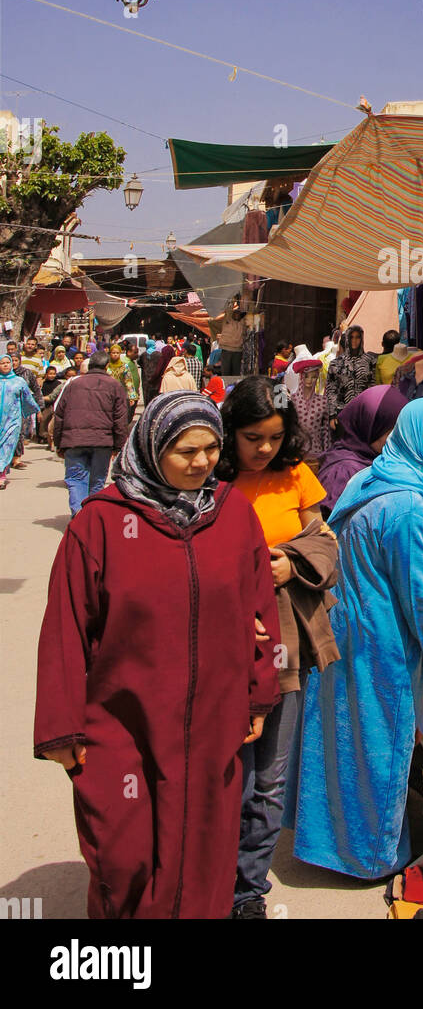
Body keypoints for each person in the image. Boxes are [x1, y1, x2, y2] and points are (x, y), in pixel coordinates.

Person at [33, 392, 281, 919]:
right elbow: (64, 630)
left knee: (204, 849)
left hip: (214, 718)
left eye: (212, 448)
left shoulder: (233, 514)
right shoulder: (100, 523)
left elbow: (261, 610)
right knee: (123, 855)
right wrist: (61, 729)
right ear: (151, 448)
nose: (202, 462)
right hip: (124, 722)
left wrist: (259, 695)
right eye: (185, 451)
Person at [286, 399, 423, 879]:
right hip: (380, 641)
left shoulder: (375, 477)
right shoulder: (407, 504)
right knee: (378, 744)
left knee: (340, 738)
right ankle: (371, 858)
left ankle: (325, 843)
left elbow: (389, 555)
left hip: (344, 627)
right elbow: (422, 598)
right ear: (417, 435)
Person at [217, 376, 339, 917]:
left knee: (269, 774)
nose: (264, 448)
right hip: (223, 644)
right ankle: (209, 877)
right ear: (230, 434)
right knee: (225, 769)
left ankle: (248, 890)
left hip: (288, 642)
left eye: (273, 436)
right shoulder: (209, 479)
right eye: (252, 437)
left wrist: (292, 562)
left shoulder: (296, 476)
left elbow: (326, 539)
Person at [52, 350, 129, 515]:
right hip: (103, 442)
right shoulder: (115, 386)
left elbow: (59, 415)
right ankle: (91, 517)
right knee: (97, 482)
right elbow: (121, 419)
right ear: (107, 366)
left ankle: (79, 514)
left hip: (74, 441)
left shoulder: (73, 384)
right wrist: (119, 445)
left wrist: (59, 443)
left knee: (76, 480)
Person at [316, 383, 407, 515]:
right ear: (370, 428)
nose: (398, 440)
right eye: (391, 432)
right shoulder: (343, 472)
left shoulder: (383, 461)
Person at [324, 325, 379, 430]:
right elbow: (331, 390)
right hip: (342, 411)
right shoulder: (336, 363)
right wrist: (332, 415)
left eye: (357, 337)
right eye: (351, 337)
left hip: (363, 412)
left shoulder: (370, 361)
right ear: (347, 338)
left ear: (361, 339)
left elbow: (372, 386)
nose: (354, 340)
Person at [0, 354, 40, 489]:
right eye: (2, 363)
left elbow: (28, 399)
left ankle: (1, 476)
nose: (5, 365)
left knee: (7, 446)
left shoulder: (19, 381)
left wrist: (35, 410)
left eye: (7, 362)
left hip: (12, 421)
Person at [37, 363, 65, 446]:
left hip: (54, 405)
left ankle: (51, 439)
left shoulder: (58, 384)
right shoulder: (43, 384)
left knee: (51, 423)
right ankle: (42, 437)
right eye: (50, 374)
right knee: (43, 421)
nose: (52, 375)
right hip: (45, 405)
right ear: (46, 374)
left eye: (54, 374)